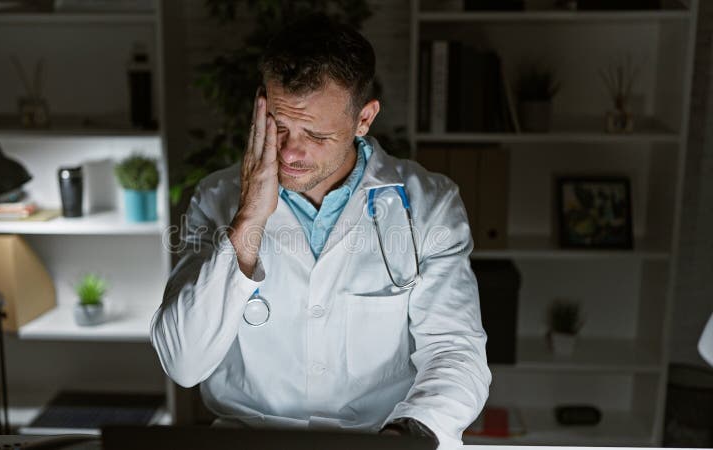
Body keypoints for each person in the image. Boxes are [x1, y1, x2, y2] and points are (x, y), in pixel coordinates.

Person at [150, 15, 491, 449]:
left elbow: (455, 352)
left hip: (379, 439)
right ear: (261, 105)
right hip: (250, 440)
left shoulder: (430, 204)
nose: (291, 151)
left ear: (364, 119)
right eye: (280, 126)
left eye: (316, 134)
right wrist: (249, 220)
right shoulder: (216, 198)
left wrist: (402, 437)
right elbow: (183, 363)